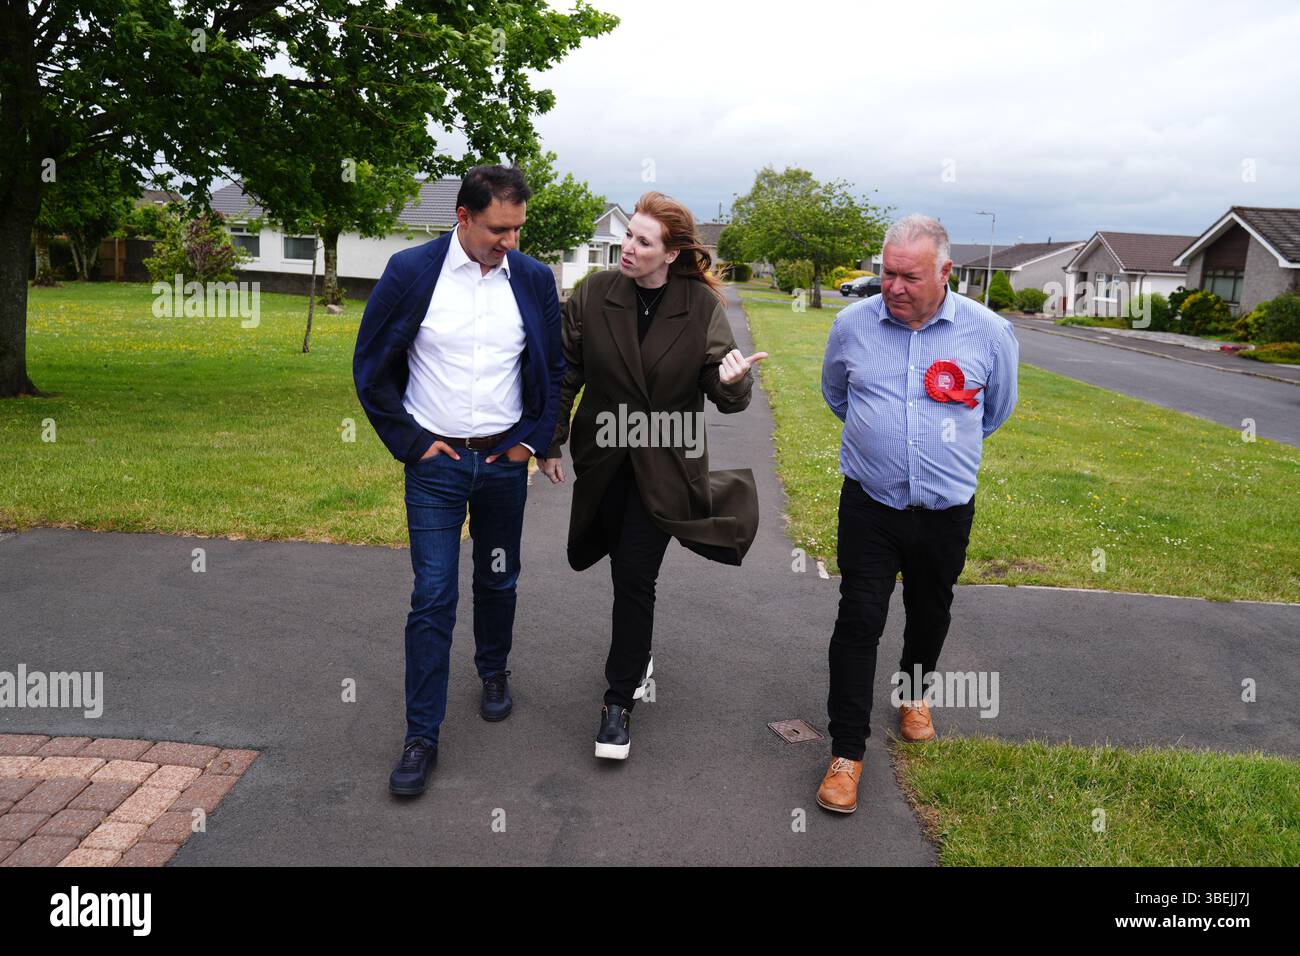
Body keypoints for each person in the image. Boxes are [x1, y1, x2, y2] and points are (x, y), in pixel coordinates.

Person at [352, 165, 563, 797]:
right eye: (500, 229)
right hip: (436, 470)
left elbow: (552, 366)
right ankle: (422, 736)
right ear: (463, 217)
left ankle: (493, 671)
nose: (510, 242)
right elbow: (371, 366)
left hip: (503, 464)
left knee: (499, 578)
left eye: (518, 229)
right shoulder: (410, 272)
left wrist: (531, 441)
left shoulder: (531, 277)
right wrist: (414, 445)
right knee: (434, 595)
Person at [538, 191, 764, 760]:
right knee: (617, 562)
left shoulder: (700, 307)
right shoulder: (594, 294)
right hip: (605, 454)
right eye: (627, 237)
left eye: (642, 241)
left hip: (664, 461)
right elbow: (566, 370)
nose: (627, 249)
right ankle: (637, 656)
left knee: (637, 572)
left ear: (670, 254)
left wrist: (735, 378)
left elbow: (725, 395)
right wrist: (551, 441)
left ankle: (617, 703)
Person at [815, 213, 1019, 814]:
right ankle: (846, 753)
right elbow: (836, 394)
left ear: (945, 272)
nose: (894, 287)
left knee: (930, 611)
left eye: (909, 277)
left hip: (945, 509)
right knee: (859, 618)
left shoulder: (989, 334)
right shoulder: (852, 325)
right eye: (887, 274)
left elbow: (995, 411)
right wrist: (884, 442)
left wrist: (934, 449)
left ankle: (914, 694)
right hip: (870, 505)